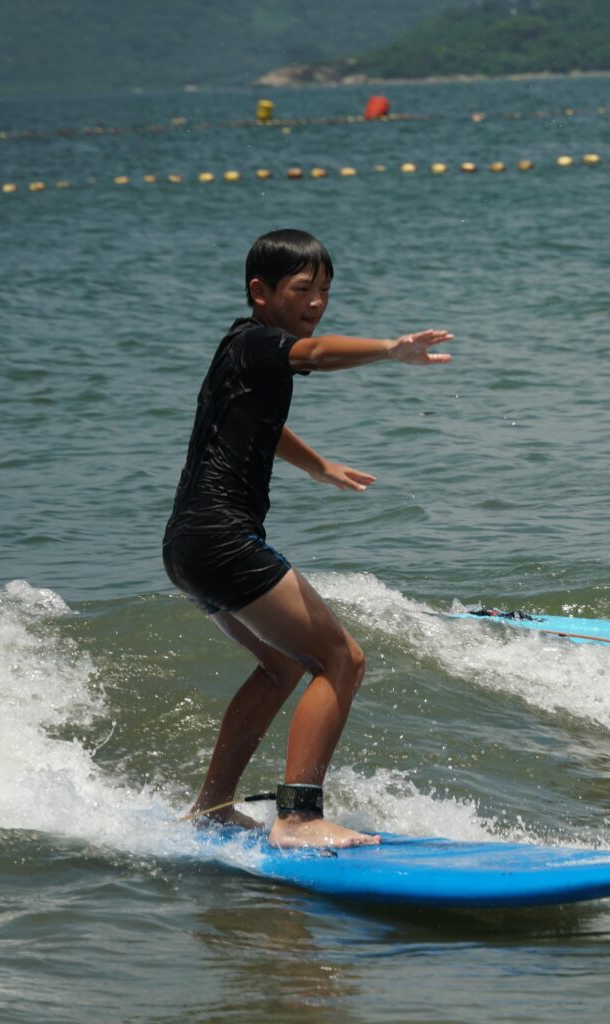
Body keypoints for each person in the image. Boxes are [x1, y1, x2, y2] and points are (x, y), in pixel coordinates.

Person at [163, 228, 451, 848]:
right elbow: (316, 353)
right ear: (260, 292)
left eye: (325, 290)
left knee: (283, 665)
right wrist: (389, 349)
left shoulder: (240, 348)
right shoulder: (263, 343)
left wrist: (318, 465)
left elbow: (258, 423)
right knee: (342, 659)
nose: (316, 302)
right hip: (221, 537)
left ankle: (212, 807)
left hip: (188, 545)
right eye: (302, 289)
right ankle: (297, 818)